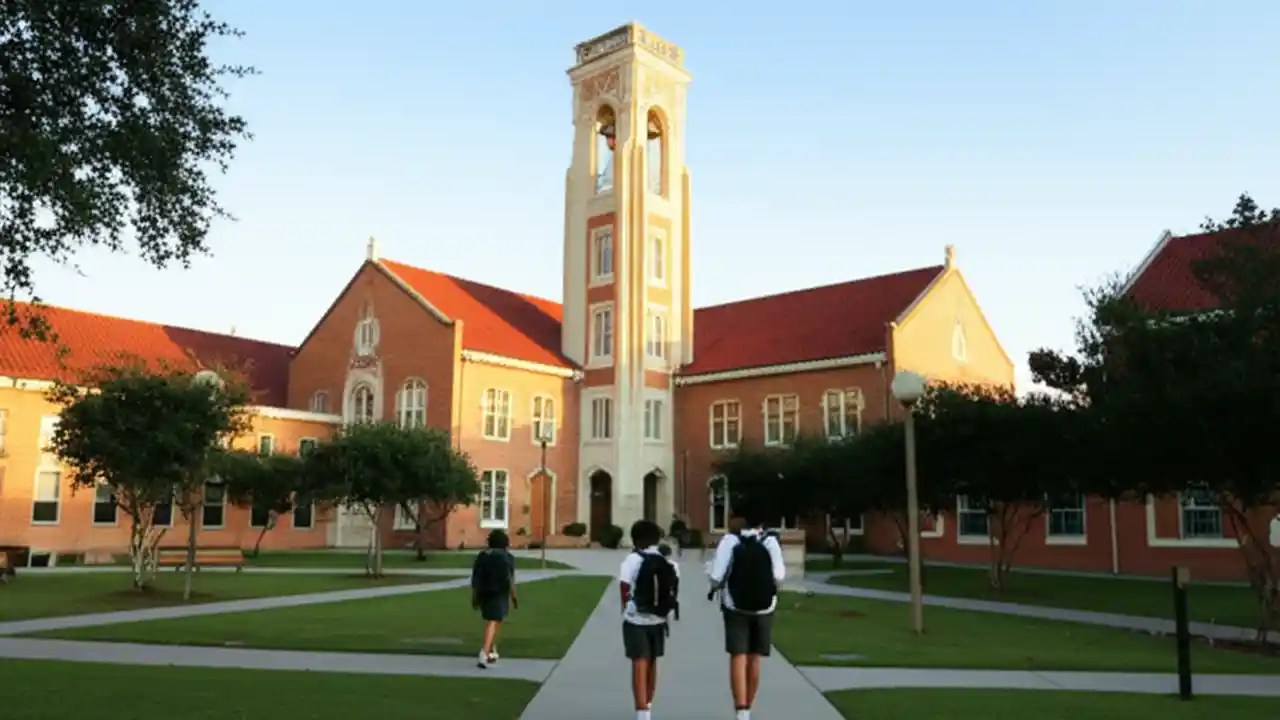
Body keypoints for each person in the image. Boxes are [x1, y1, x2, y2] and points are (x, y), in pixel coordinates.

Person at [708, 514, 786, 720]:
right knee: (755, 658)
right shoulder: (770, 541)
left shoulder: (730, 541)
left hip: (735, 606)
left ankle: (741, 712)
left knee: (738, 656)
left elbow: (716, 577)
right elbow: (779, 576)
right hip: (765, 607)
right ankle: (749, 706)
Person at [619, 520, 679, 720]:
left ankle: (641, 711)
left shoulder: (631, 560)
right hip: (659, 619)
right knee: (653, 661)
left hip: (636, 619)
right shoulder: (666, 561)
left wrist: (626, 609)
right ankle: (649, 704)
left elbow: (625, 587)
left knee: (639, 661)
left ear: (634, 539)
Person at [471, 528, 518, 669]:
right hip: (500, 592)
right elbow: (510, 578)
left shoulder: (482, 556)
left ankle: (491, 650)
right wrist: (514, 596)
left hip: (484, 592)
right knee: (494, 620)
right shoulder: (508, 557)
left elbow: (476, 578)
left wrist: (474, 596)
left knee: (494, 619)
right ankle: (484, 653)